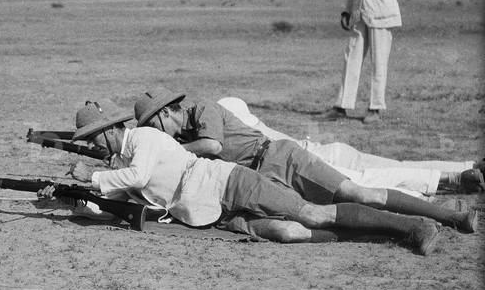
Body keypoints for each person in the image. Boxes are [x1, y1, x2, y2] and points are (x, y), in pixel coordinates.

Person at [48, 101, 444, 255]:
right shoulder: (125, 157)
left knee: (314, 214)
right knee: (291, 233)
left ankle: (413, 225)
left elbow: (138, 175)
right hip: (209, 211)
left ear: (109, 130)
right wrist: (76, 201)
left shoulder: (144, 140)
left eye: (94, 139)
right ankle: (383, 233)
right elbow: (131, 200)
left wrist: (94, 176)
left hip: (233, 181)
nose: (95, 146)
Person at [132, 87, 477, 234]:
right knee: (317, 219)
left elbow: (213, 147)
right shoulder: (180, 138)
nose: (155, 134)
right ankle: (412, 229)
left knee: (359, 193)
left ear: (166, 113)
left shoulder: (202, 111)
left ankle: (451, 216)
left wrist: (169, 151)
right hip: (258, 180)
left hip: (281, 158)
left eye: (153, 125)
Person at [216, 96, 485, 196]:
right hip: (319, 151)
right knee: (389, 169)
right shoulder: (228, 108)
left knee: (372, 180)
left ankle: (457, 178)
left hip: (310, 160)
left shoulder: (221, 115)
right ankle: (466, 169)